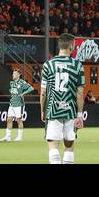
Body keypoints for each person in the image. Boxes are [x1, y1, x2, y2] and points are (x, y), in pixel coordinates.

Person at [40, 35, 86, 165]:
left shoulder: (48, 65)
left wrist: (42, 110)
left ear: (60, 45)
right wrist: (80, 115)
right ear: (71, 46)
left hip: (53, 109)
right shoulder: (77, 65)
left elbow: (43, 92)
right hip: (70, 111)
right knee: (69, 146)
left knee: (53, 145)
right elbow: (80, 93)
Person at [0, 68, 35, 142]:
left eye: (15, 73)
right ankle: (7, 136)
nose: (13, 75)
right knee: (9, 119)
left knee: (19, 120)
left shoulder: (22, 82)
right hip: (12, 104)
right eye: (13, 73)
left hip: (19, 104)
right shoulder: (12, 83)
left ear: (19, 75)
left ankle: (19, 137)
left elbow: (31, 88)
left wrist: (23, 93)